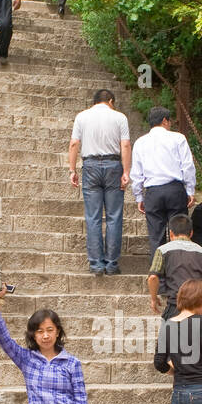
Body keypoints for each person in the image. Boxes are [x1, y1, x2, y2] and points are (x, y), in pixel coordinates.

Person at [68, 90, 132, 276]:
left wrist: (72, 170)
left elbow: (74, 144)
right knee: (114, 216)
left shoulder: (82, 117)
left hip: (90, 166)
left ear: (94, 101)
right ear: (110, 101)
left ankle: (96, 264)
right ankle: (111, 264)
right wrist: (126, 171)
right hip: (113, 165)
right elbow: (126, 145)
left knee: (93, 217)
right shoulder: (120, 117)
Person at [130, 107, 197, 258]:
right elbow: (187, 166)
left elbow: (136, 173)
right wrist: (190, 190)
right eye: (170, 121)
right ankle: (179, 270)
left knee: (156, 237)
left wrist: (139, 197)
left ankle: (158, 276)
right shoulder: (178, 138)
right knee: (180, 233)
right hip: (175, 189)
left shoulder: (140, 142)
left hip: (153, 192)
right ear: (165, 121)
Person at [147, 213, 202, 323]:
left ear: (171, 233)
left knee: (172, 339)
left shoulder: (163, 250)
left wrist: (154, 298)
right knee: (201, 340)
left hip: (176, 307)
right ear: (191, 233)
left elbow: (153, 277)